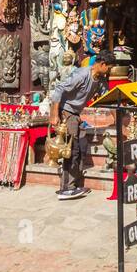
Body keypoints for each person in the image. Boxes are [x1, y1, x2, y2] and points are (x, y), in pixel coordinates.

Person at [49, 51, 113, 201]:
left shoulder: (100, 80)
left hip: (77, 114)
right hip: (66, 111)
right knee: (72, 149)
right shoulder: (82, 74)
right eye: (108, 67)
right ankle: (67, 188)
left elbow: (107, 96)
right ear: (102, 64)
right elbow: (59, 89)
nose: (109, 71)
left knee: (82, 145)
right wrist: (54, 114)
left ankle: (75, 183)